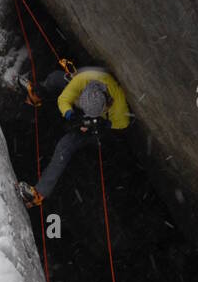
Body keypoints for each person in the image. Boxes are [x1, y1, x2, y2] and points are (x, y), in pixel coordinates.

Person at [16, 66, 129, 206]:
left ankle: (38, 194)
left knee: (65, 145)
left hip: (99, 121)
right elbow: (63, 99)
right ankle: (36, 95)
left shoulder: (118, 109)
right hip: (81, 99)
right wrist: (71, 115)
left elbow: (123, 124)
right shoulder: (82, 80)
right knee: (55, 78)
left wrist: (101, 125)